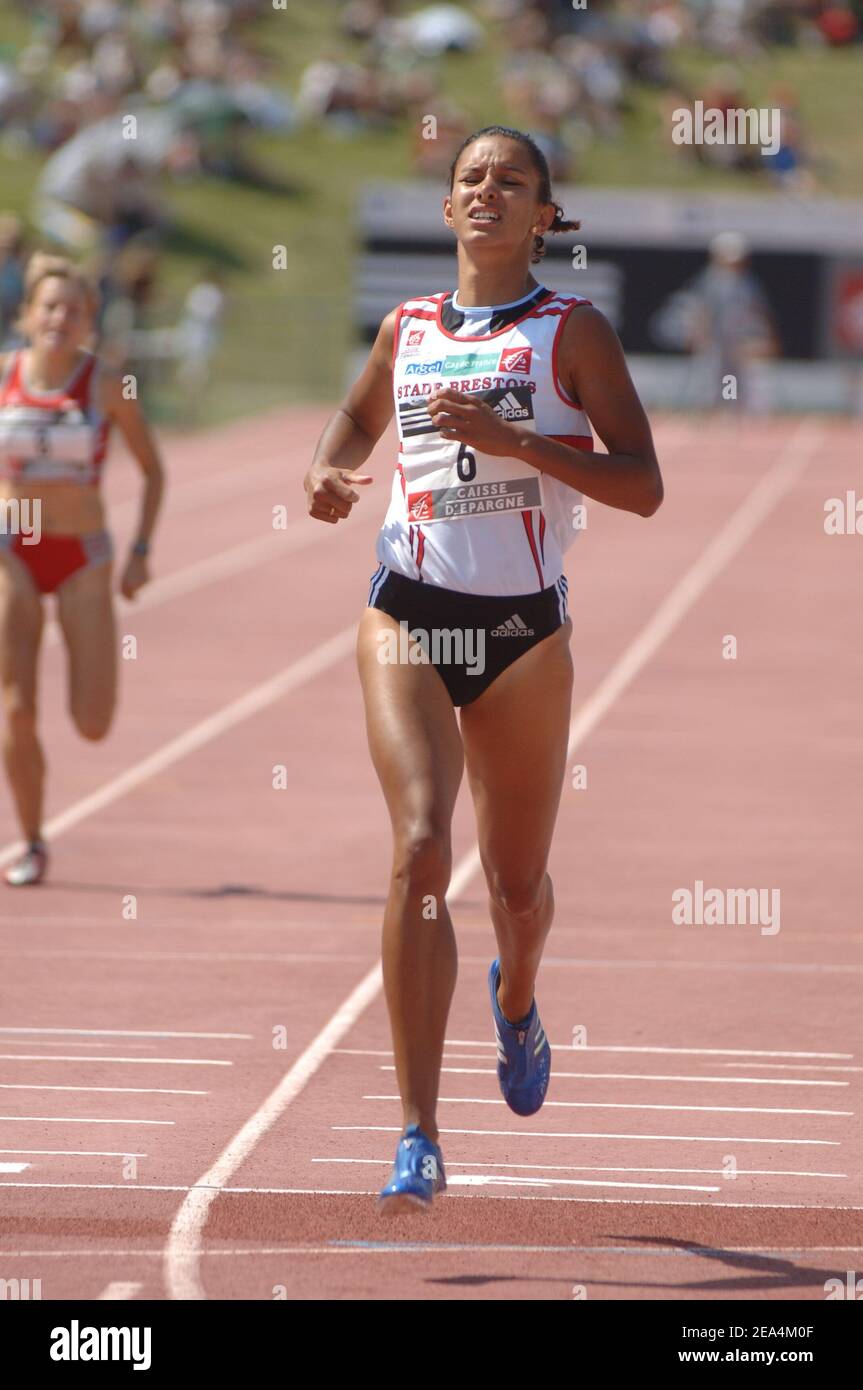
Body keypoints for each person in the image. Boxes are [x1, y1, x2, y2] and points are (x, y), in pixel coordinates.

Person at [303, 125, 663, 1214]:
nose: (486, 193)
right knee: (418, 844)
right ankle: (416, 1129)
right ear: (448, 205)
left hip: (521, 637)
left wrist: (524, 449)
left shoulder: (572, 331)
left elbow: (641, 484)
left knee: (513, 883)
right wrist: (328, 465)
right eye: (469, 179)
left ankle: (518, 996)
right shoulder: (407, 325)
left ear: (545, 216)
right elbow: (361, 414)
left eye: (511, 182)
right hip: (407, 613)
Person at [0, 252, 165, 886]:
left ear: (89, 321)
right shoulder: (6, 375)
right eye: (49, 306)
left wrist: (141, 552)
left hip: (82, 556)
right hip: (13, 547)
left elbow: (154, 469)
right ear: (26, 314)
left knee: (92, 724)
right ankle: (33, 840)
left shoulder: (106, 385)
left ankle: (36, 832)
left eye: (73, 309)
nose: (60, 318)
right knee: (14, 707)